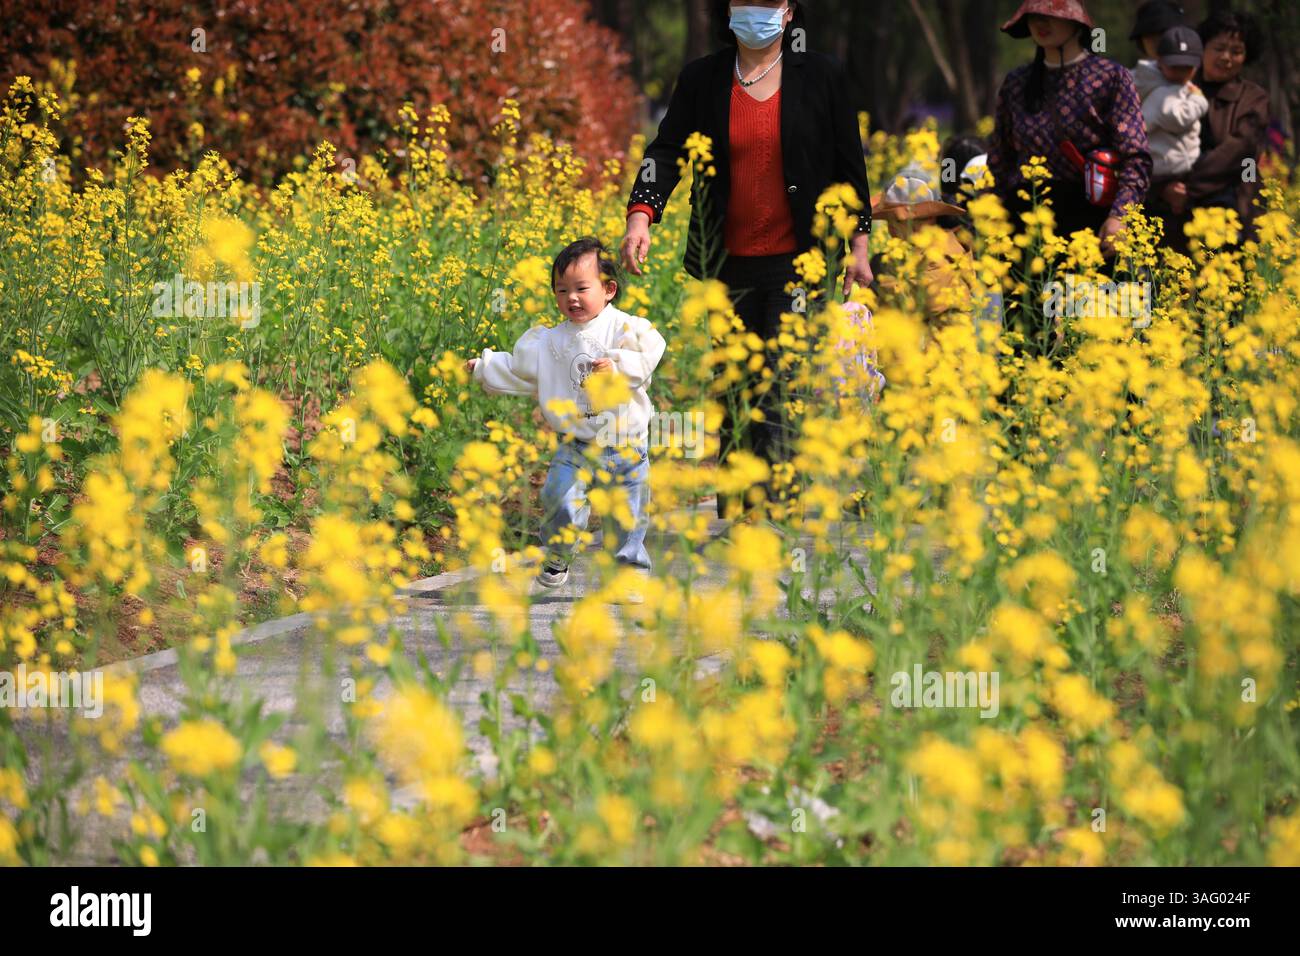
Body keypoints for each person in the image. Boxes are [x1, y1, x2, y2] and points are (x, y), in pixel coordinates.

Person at [618, 0, 874, 518]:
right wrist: (641, 214)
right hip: (728, 262)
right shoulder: (703, 78)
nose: (753, 12)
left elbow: (850, 162)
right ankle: (738, 512)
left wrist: (860, 246)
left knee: (781, 382)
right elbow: (666, 150)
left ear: (788, 12)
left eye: (766, 2)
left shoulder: (820, 74)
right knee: (735, 385)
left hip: (800, 259)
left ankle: (775, 511)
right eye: (743, 2)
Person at [467, 238, 667, 602]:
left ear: (609, 290)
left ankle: (628, 575)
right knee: (558, 496)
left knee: (627, 516)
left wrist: (619, 364)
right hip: (576, 444)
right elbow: (519, 369)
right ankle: (559, 556)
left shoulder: (624, 329)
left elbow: (653, 350)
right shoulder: (549, 341)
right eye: (562, 290)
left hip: (626, 443)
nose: (571, 298)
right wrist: (484, 367)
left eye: (581, 288)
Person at [988, 0, 1153, 257]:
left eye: (1051, 15)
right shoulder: (1016, 83)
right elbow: (999, 158)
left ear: (1077, 23)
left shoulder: (1110, 78)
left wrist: (1120, 216)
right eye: (1034, 16)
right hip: (1024, 225)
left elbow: (1136, 158)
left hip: (1090, 223)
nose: (1040, 23)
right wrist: (991, 217)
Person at [1150, 9, 1270, 252]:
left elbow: (1239, 152)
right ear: (1202, 49)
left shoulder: (1253, 98)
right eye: (1218, 48)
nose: (1226, 57)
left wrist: (1187, 187)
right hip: (1173, 213)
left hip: (1231, 211)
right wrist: (1164, 188)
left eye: (1236, 52)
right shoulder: (1175, 89)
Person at [1134, 26, 1209, 181]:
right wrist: (1199, 101)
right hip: (1164, 170)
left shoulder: (1173, 84)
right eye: (1175, 67)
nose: (1181, 73)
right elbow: (1178, 119)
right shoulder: (1161, 92)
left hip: (1176, 165)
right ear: (1160, 61)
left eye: (1187, 68)